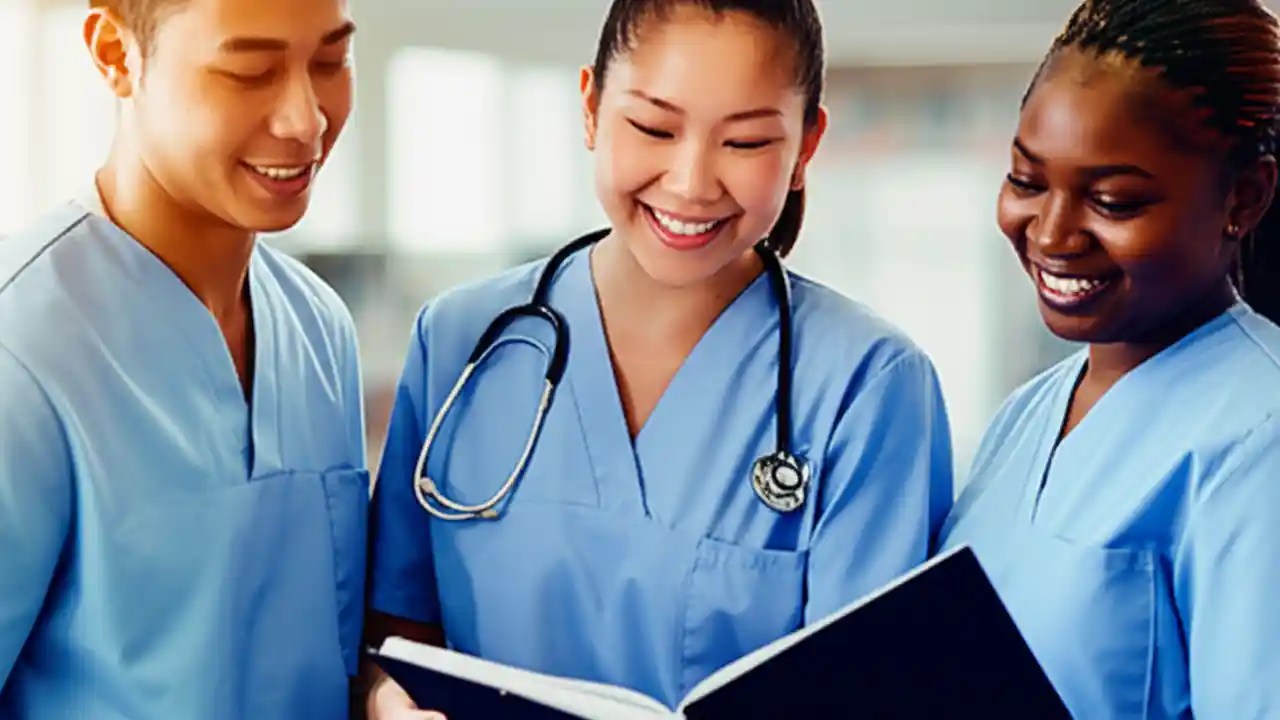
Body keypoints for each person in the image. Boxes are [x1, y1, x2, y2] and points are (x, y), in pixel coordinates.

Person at [363, 0, 954, 716]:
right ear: (590, 108)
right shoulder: (461, 340)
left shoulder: (868, 387)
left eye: (745, 142)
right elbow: (395, 641)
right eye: (653, 128)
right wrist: (386, 704)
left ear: (806, 146)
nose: (691, 182)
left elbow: (867, 692)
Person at [0, 0, 368, 717]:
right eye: (250, 71)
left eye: (331, 61)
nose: (307, 121)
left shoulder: (320, 328)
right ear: (116, 53)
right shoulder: (23, 344)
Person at [938, 0, 1280, 716]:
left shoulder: (1260, 436)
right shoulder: (1024, 419)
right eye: (1027, 182)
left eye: (1114, 201)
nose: (1052, 234)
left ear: (1244, 199)